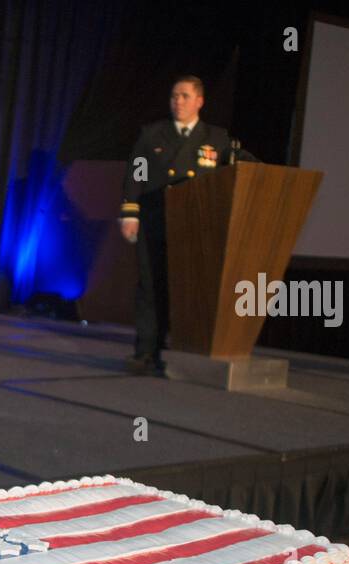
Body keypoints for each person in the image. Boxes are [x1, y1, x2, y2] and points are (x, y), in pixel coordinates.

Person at [119, 75, 232, 375]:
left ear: (200, 101)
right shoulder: (153, 134)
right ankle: (145, 350)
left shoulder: (217, 138)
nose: (177, 101)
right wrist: (131, 213)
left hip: (195, 226)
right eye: (173, 96)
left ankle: (181, 347)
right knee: (150, 284)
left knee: (186, 288)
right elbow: (135, 176)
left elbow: (237, 168)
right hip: (156, 219)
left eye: (184, 96)